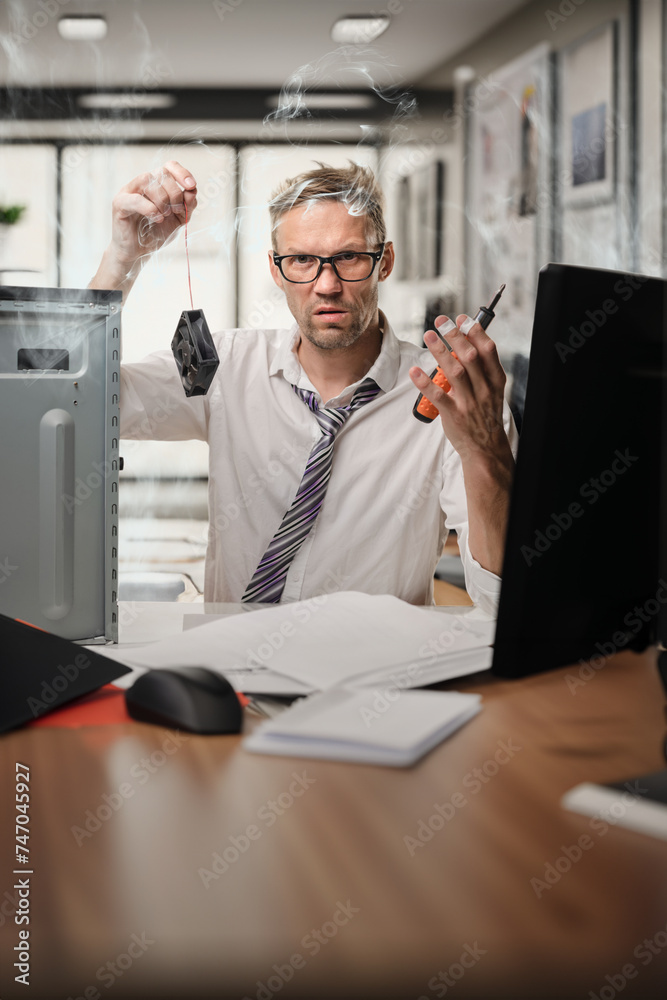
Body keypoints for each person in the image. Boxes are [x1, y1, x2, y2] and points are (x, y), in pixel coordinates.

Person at [89, 159, 517, 613]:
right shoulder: (223, 362)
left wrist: (483, 450)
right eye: (302, 261)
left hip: (372, 670)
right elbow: (78, 402)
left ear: (384, 262)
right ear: (276, 270)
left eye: (349, 257)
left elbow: (500, 599)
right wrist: (121, 261)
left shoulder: (453, 399)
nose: (326, 285)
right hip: (227, 665)